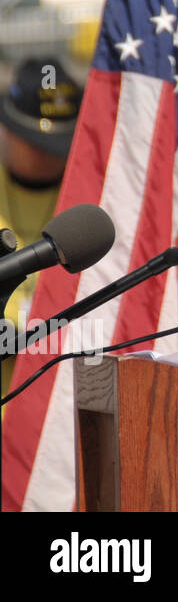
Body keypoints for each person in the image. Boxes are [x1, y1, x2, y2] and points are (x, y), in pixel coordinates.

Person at [1, 58, 83, 403]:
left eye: (58, 146)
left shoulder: (91, 202)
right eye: (35, 143)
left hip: (58, 413)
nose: (47, 156)